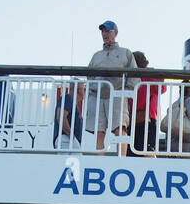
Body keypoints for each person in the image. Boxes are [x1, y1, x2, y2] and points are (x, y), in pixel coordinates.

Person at [87, 20, 137, 154]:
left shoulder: (125, 52)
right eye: (103, 31)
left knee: (119, 128)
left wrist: (127, 91)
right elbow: (89, 75)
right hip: (98, 96)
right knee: (99, 130)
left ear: (115, 33)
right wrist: (93, 88)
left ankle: (121, 159)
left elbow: (135, 74)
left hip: (117, 94)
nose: (105, 34)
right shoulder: (96, 56)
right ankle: (100, 158)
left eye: (108, 31)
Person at [128, 51, 164, 156]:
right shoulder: (150, 75)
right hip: (149, 117)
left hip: (131, 118)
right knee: (148, 150)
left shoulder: (129, 76)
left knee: (131, 152)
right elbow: (161, 88)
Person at [53, 83, 81, 150]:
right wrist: (72, 137)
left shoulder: (70, 100)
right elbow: (60, 117)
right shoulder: (68, 98)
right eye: (83, 89)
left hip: (68, 140)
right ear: (78, 90)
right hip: (67, 140)